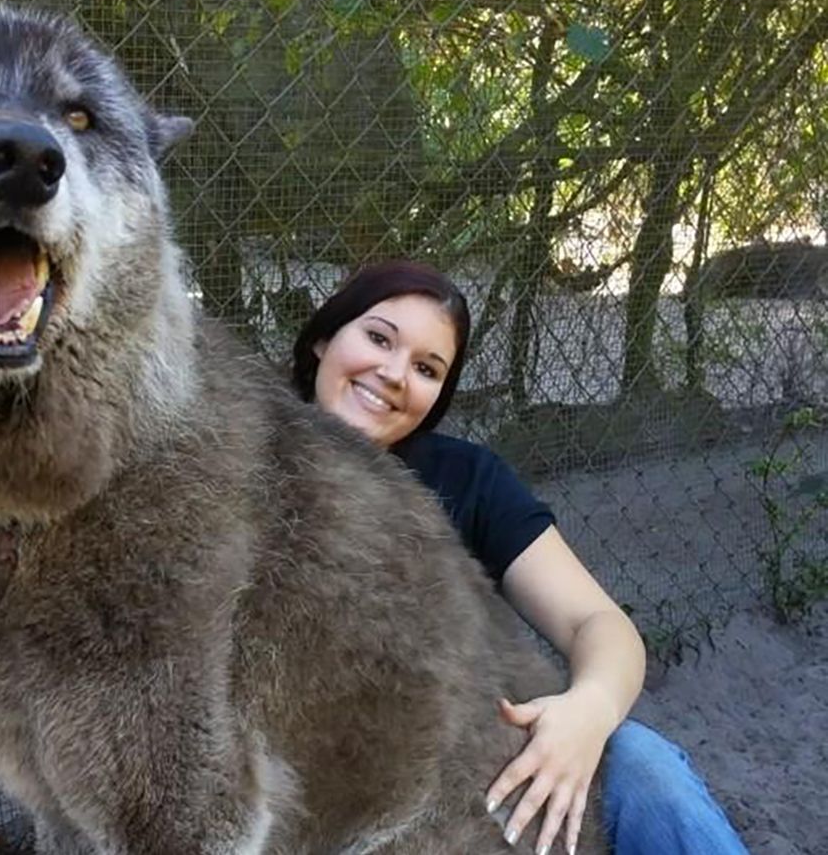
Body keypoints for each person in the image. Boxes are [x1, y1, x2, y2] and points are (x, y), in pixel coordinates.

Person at [291, 260, 748, 855]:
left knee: (641, 763)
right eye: (378, 338)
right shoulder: (241, 455)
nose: (394, 373)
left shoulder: (464, 479)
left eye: (428, 368)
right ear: (326, 336)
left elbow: (600, 624)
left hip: (465, 756)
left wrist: (590, 709)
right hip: (321, 774)